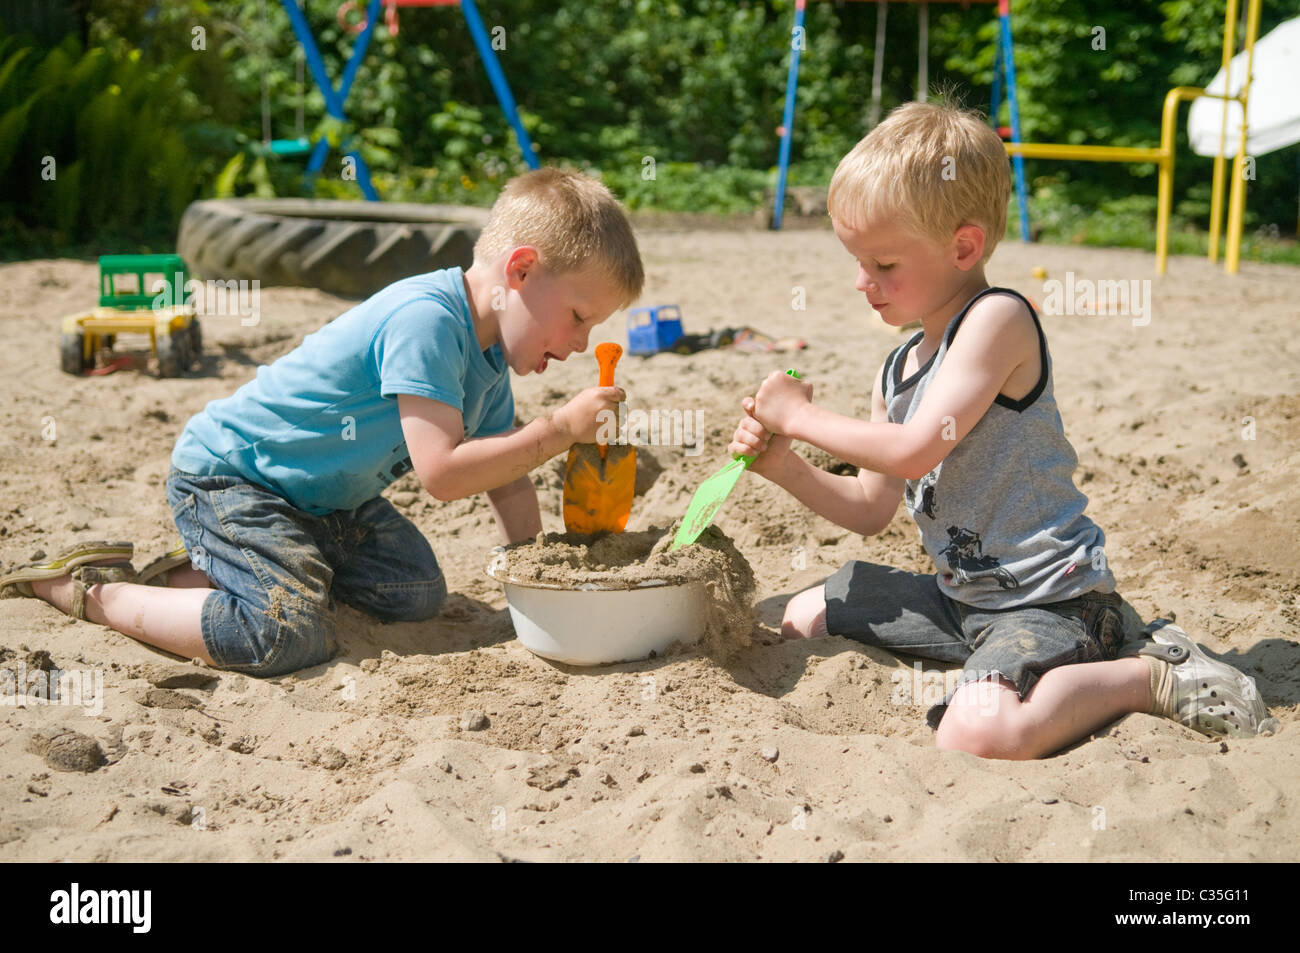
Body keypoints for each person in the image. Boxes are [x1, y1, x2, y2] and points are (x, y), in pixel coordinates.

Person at [729, 101, 1271, 759]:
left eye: (885, 263)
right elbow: (872, 509)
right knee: (801, 616)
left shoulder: (997, 320)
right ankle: (1013, 661)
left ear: (964, 246)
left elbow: (918, 446)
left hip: (1057, 605)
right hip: (963, 602)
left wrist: (801, 416)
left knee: (975, 731)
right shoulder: (897, 369)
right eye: (856, 259)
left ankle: (1143, 674)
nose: (861, 282)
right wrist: (784, 463)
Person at [1, 168, 643, 677]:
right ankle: (93, 592)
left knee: (414, 589)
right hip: (235, 480)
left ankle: (213, 568)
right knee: (285, 635)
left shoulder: (491, 358)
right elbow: (444, 476)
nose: (583, 343)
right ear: (522, 271)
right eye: (579, 316)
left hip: (324, 502)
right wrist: (557, 431)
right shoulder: (428, 321)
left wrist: (530, 571)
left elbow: (504, 474)